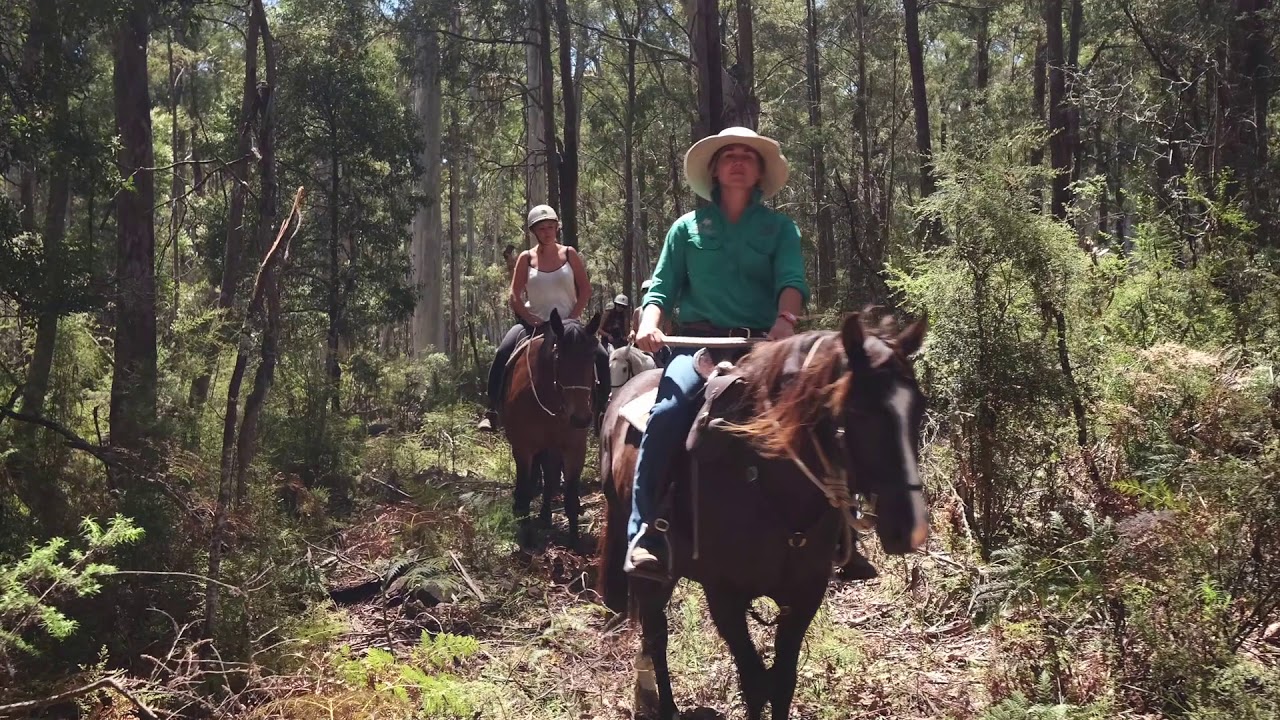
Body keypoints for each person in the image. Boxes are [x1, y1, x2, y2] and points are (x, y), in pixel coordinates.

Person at [624, 126, 876, 579]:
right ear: (716, 170)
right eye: (729, 155)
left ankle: (844, 531)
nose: (738, 161)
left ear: (759, 172)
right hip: (699, 344)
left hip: (765, 345)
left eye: (748, 156)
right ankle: (646, 533)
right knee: (667, 412)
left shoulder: (780, 229)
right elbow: (661, 288)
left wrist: (784, 324)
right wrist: (648, 324)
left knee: (823, 411)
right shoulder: (686, 229)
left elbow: (792, 284)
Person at [478, 205, 592, 432]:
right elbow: (514, 295)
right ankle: (491, 411)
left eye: (551, 227)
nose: (547, 232)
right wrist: (529, 318)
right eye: (542, 228)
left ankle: (600, 410)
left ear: (557, 228)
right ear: (534, 232)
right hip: (534, 323)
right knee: (503, 352)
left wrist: (572, 318)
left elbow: (586, 290)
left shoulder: (569, 254)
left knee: (598, 354)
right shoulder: (526, 258)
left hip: (567, 325)